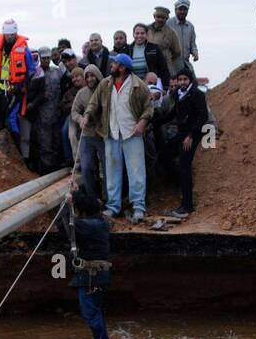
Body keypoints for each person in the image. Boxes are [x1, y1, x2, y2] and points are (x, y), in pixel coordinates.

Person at [83, 53, 152, 222]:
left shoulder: (138, 85)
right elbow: (94, 102)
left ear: (122, 67)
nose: (111, 65)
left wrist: (142, 123)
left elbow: (149, 107)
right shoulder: (106, 84)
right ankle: (114, 206)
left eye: (114, 63)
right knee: (112, 171)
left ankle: (138, 207)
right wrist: (87, 114)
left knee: (136, 171)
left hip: (132, 133)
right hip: (112, 132)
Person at [0, 20, 42, 162]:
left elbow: (31, 70)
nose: (9, 38)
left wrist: (22, 85)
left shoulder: (23, 50)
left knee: (11, 120)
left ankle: (18, 152)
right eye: (7, 35)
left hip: (15, 90)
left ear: (16, 34)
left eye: (12, 35)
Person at [61, 190, 114, 339]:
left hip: (91, 277)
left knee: (90, 312)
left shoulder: (86, 226)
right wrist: (75, 194)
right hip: (99, 276)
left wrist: (66, 205)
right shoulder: (101, 221)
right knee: (96, 310)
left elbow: (64, 226)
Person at [157, 69, 208, 218]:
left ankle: (187, 206)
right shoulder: (179, 95)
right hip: (181, 134)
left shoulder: (198, 94)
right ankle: (178, 182)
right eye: (180, 80)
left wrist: (191, 135)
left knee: (185, 166)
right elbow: (173, 113)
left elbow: (203, 116)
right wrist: (154, 123)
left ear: (190, 80)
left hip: (194, 135)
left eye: (185, 79)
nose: (182, 82)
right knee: (164, 155)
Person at [71, 64, 103, 194]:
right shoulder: (81, 93)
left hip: (103, 135)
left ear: (97, 76)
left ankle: (107, 198)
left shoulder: (105, 91)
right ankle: (91, 198)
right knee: (86, 167)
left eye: (92, 75)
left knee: (106, 169)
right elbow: (74, 111)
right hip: (87, 134)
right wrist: (80, 119)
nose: (90, 79)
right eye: (87, 76)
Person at [36, 47, 65, 173]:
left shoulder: (57, 71)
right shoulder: (36, 73)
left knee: (56, 142)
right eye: (44, 58)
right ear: (39, 59)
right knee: (45, 144)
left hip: (57, 113)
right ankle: (45, 170)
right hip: (42, 116)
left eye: (48, 58)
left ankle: (56, 168)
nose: (46, 60)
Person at [127, 22, 170, 88]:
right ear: (133, 34)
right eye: (137, 33)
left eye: (142, 33)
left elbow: (163, 68)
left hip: (150, 85)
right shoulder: (127, 49)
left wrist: (165, 87)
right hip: (131, 85)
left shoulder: (154, 48)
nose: (139, 36)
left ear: (146, 34)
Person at [146, 7, 184, 77]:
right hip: (148, 67)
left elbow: (177, 51)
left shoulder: (171, 33)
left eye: (163, 18)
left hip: (165, 68)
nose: (160, 19)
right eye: (158, 17)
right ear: (154, 16)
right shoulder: (146, 29)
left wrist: (166, 56)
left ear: (167, 19)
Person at [168, 0, 199, 79]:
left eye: (185, 9)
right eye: (180, 9)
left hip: (186, 62)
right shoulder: (168, 23)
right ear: (175, 10)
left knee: (194, 84)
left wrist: (195, 53)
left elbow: (192, 44)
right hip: (172, 64)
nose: (182, 12)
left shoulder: (190, 26)